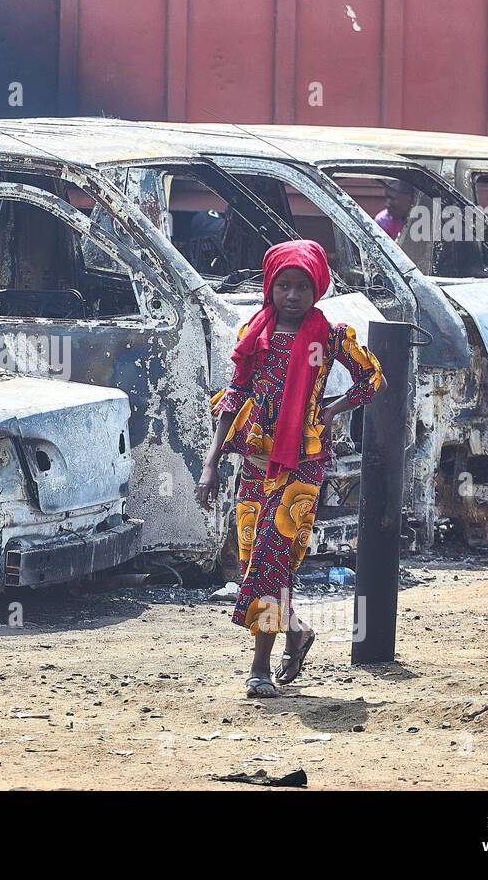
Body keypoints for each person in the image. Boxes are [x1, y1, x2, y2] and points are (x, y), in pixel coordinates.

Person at [196, 239, 384, 698]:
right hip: (255, 466)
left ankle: (259, 669)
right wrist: (211, 463)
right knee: (255, 567)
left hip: (301, 468)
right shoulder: (253, 334)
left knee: (268, 563)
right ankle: (295, 631)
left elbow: (373, 378)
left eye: (302, 286)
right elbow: (233, 397)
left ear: (316, 288)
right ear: (271, 286)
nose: (293, 295)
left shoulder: (331, 336)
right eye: (284, 285)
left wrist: (330, 411)